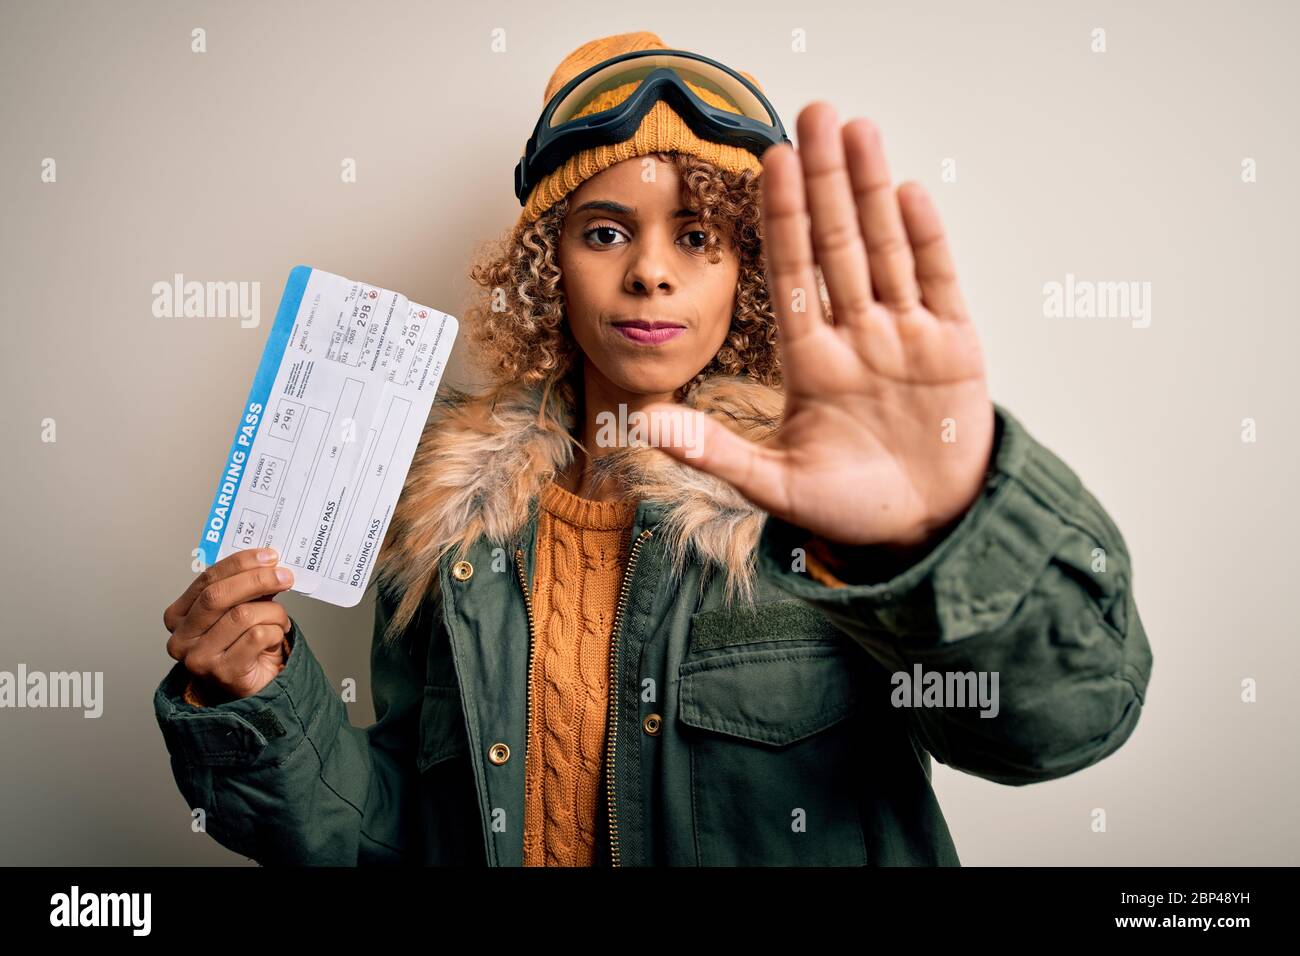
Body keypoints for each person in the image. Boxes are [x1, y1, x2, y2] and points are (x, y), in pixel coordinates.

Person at [155, 31, 1153, 866]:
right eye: (603, 232)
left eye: (697, 236)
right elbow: (404, 837)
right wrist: (257, 704)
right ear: (549, 265)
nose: (649, 275)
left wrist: (935, 535)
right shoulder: (447, 525)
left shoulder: (828, 507)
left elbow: (1058, 722)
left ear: (748, 271)